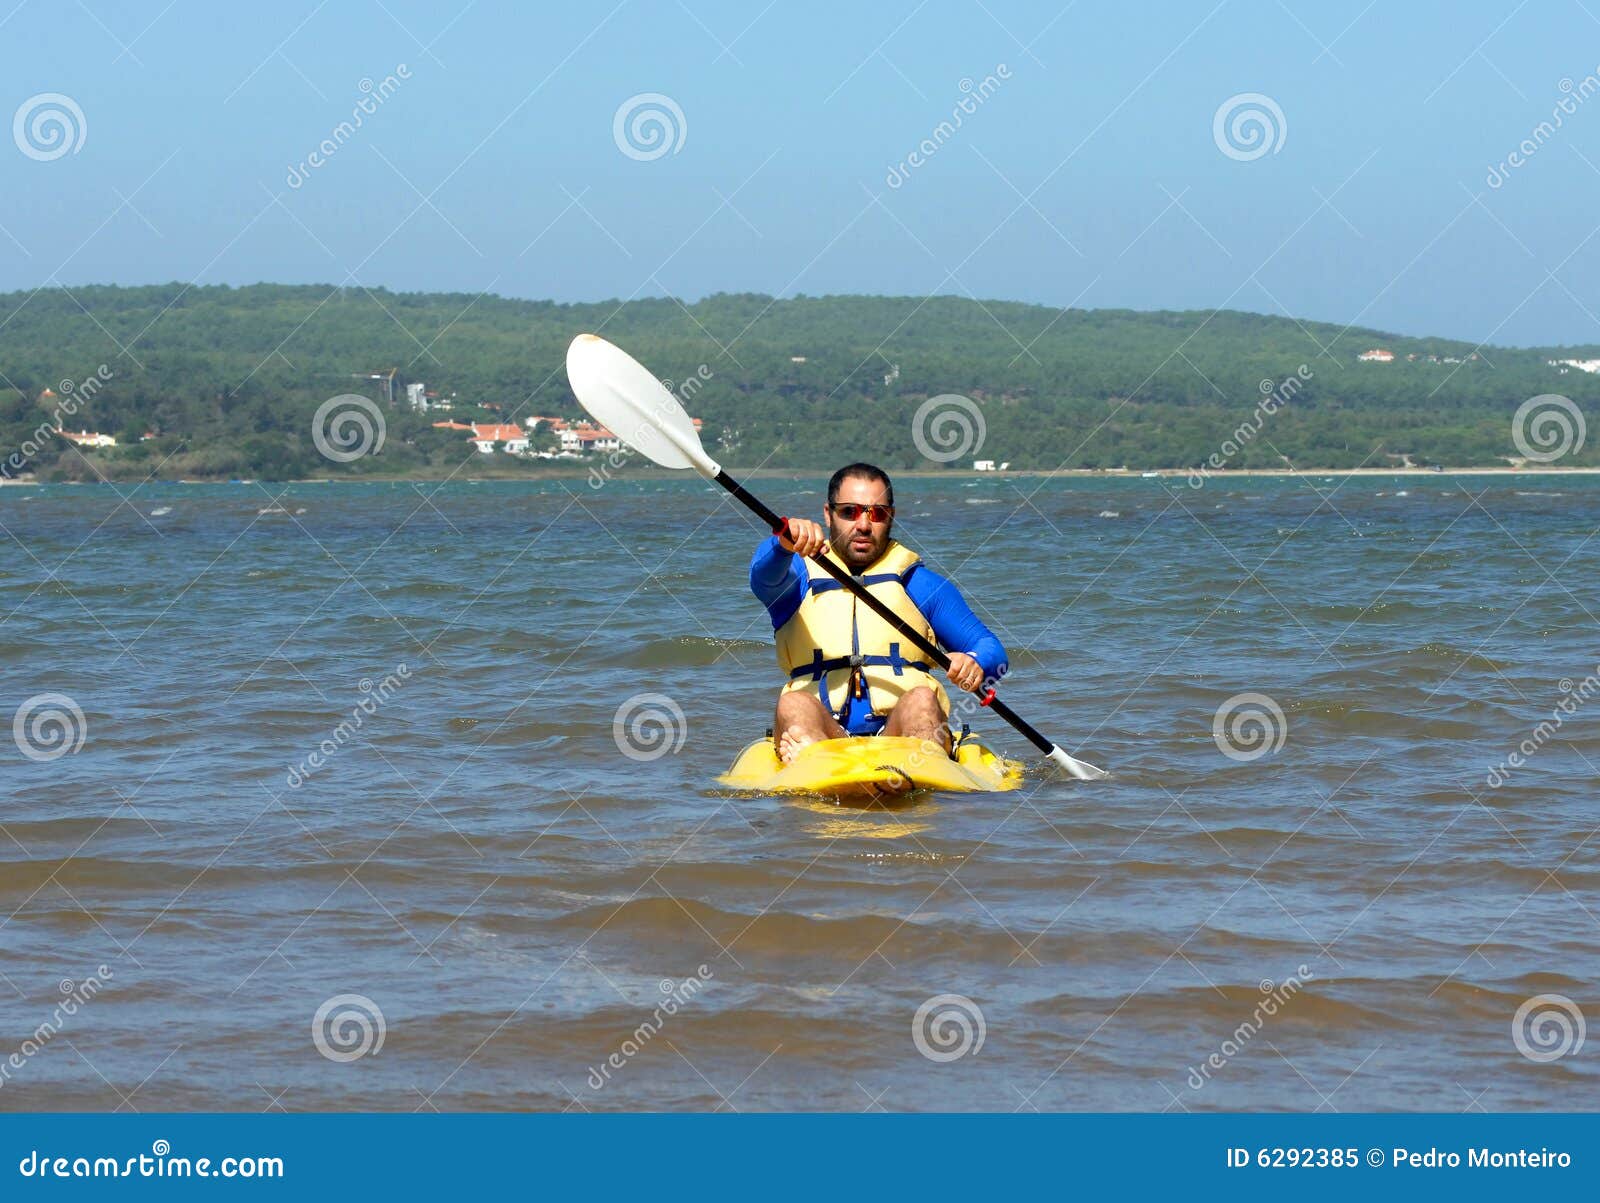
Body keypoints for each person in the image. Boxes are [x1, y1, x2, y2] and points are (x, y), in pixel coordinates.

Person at [748, 462, 1007, 763]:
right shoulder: (797, 578)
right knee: (793, 704)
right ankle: (814, 764)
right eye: (849, 511)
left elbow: (992, 651)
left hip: (900, 734)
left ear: (891, 517)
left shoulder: (920, 585)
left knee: (923, 699)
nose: (863, 525)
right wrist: (781, 544)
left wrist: (974, 663)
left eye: (877, 513)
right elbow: (762, 577)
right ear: (827, 514)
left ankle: (922, 769)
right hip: (824, 731)